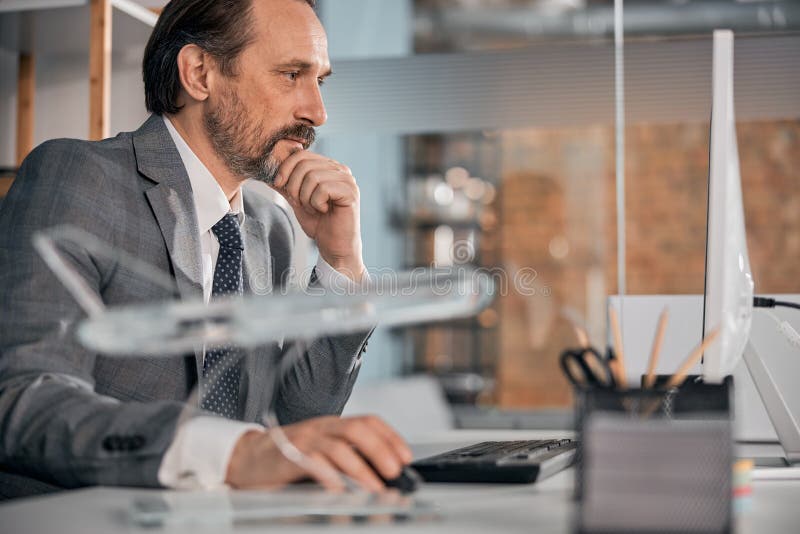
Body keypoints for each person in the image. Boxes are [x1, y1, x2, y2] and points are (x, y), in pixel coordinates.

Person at [0, 0, 411, 499]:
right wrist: (231, 454)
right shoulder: (79, 177)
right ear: (199, 73)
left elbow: (291, 432)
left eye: (318, 81)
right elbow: (22, 400)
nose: (316, 112)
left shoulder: (272, 231)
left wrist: (341, 262)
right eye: (290, 75)